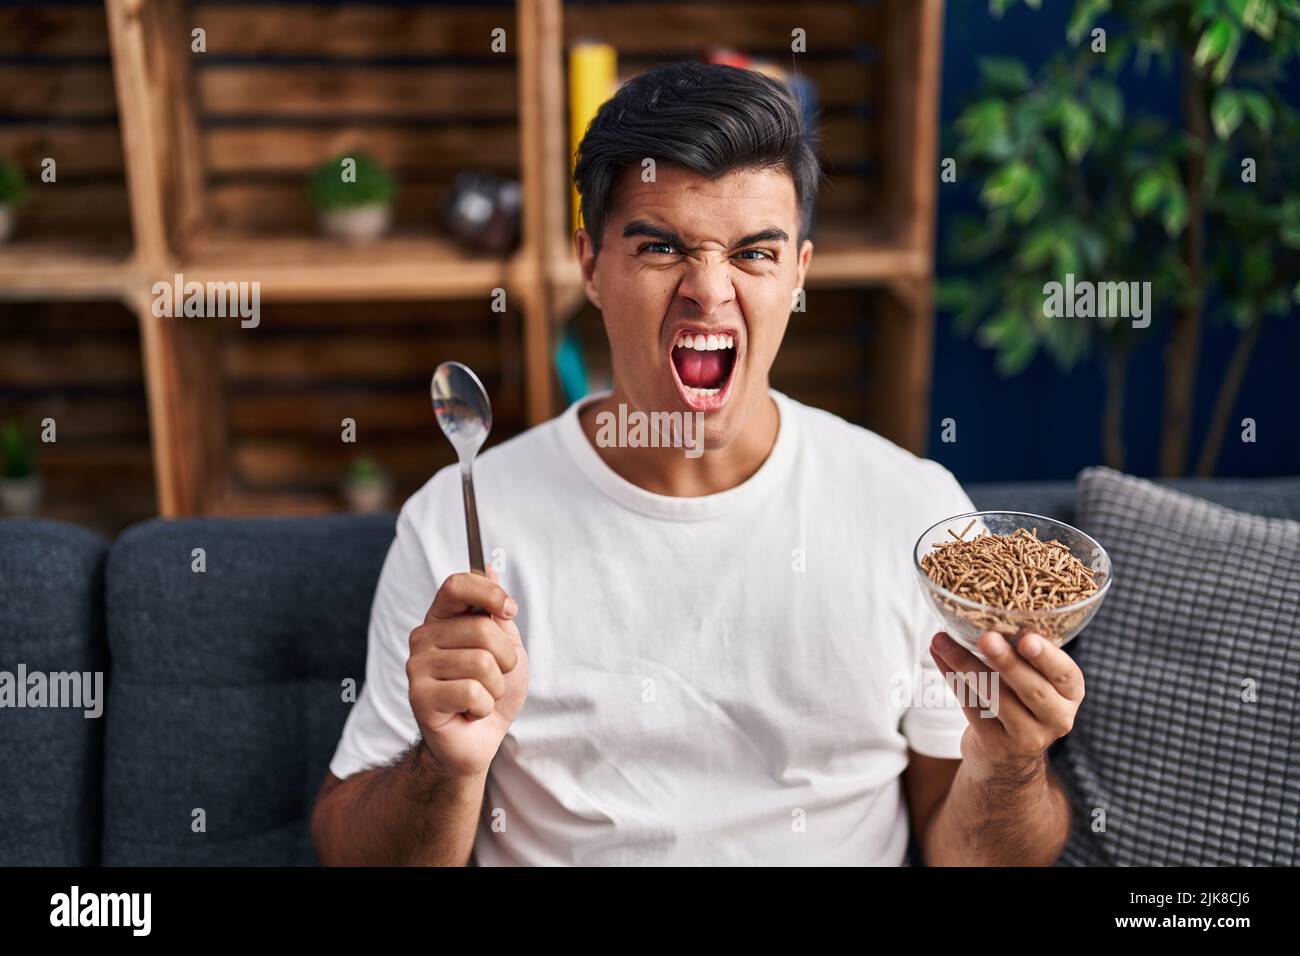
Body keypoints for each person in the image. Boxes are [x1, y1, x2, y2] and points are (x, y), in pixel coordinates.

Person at [310, 62, 1080, 866]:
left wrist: (1011, 765)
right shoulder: (459, 523)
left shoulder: (917, 513)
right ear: (591, 267)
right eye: (660, 246)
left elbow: (972, 856)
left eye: (754, 253)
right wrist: (445, 763)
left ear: (798, 277)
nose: (708, 292)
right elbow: (351, 851)